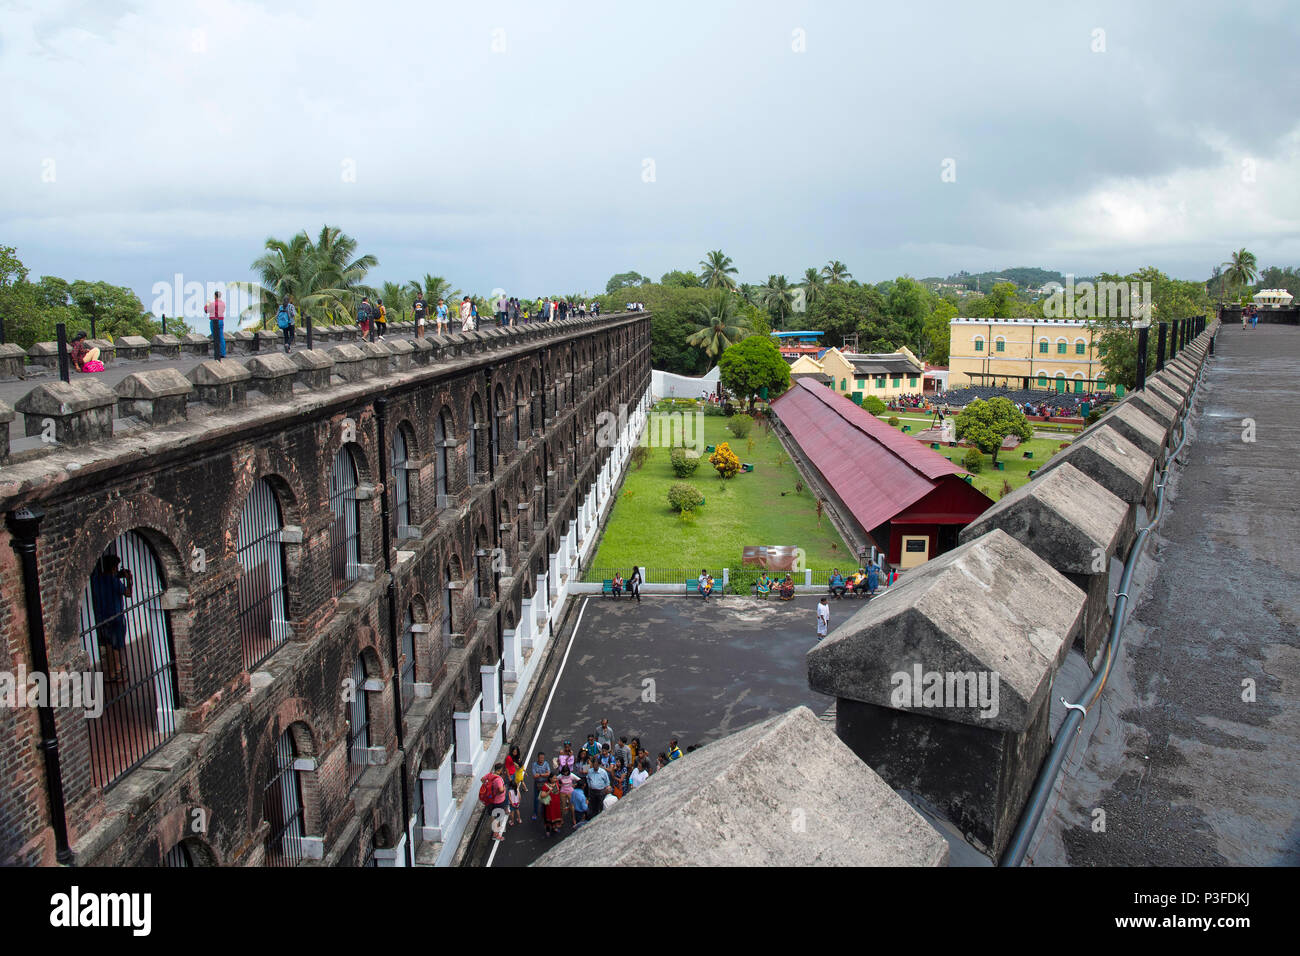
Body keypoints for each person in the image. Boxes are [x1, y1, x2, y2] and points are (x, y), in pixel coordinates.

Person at [90, 553, 132, 681]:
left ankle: (116, 667)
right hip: (116, 617)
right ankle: (113, 673)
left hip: (102, 617)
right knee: (116, 645)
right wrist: (129, 580)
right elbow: (128, 594)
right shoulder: (114, 581)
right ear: (114, 567)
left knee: (108, 643)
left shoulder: (96, 579)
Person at [204, 289, 227, 359]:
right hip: (221, 321)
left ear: (215, 296)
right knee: (221, 337)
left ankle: (217, 353)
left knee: (215, 337)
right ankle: (223, 353)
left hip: (214, 322)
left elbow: (206, 310)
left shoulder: (213, 304)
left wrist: (207, 304)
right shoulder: (223, 304)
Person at [529, 751, 551, 821]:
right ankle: (535, 813)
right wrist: (544, 774)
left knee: (545, 798)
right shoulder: (534, 764)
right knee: (536, 799)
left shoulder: (546, 763)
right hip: (537, 783)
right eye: (540, 758)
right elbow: (535, 776)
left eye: (543, 758)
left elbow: (549, 774)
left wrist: (540, 775)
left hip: (544, 784)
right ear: (538, 758)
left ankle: (544, 811)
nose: (542, 759)